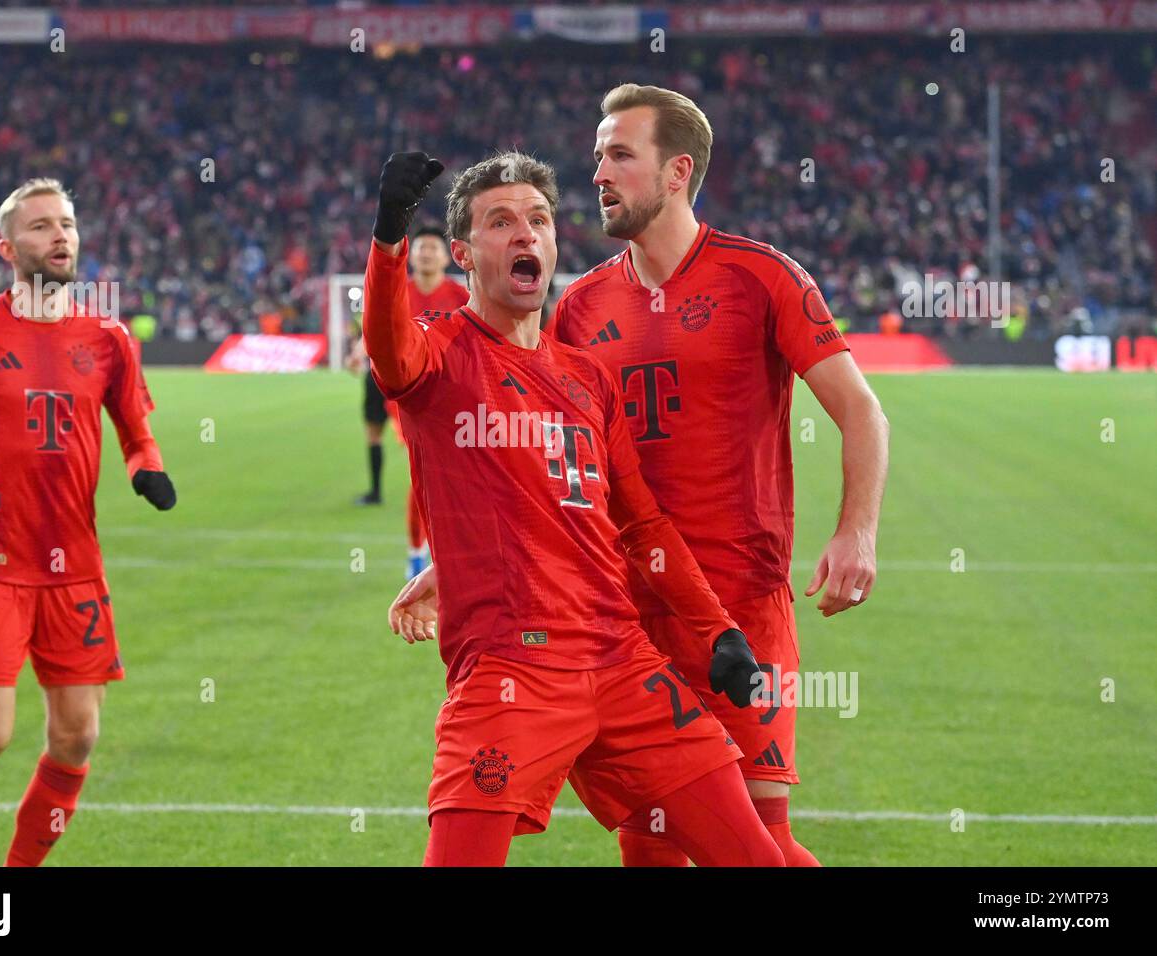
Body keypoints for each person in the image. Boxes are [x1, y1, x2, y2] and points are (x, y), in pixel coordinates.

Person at [393, 85, 890, 867]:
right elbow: (523, 444)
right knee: (651, 846)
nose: (600, 172)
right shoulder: (581, 308)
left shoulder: (761, 277)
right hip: (621, 610)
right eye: (597, 155)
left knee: (764, 837)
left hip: (739, 602)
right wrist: (462, 561)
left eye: (619, 154)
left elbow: (862, 411)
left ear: (676, 171)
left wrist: (856, 531)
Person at [366, 149, 783, 867]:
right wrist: (388, 238)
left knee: (757, 860)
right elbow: (387, 345)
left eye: (538, 220)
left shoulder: (587, 377)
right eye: (502, 223)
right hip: (511, 671)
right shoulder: (439, 359)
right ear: (463, 252)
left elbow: (642, 524)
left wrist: (718, 632)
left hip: (625, 664)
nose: (526, 235)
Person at [0, 178, 177, 866]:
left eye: (67, 224)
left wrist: (147, 468)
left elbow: (138, 432)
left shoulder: (108, 337)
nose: (59, 237)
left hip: (74, 566)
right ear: (7, 245)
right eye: (42, 226)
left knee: (77, 738)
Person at [349, 226, 467, 578]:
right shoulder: (397, 293)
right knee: (426, 474)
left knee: (444, 479)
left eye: (434, 247)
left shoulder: (460, 296)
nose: (427, 253)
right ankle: (420, 553)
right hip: (404, 401)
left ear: (447, 256)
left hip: (448, 400)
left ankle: (431, 551)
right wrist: (359, 351)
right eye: (421, 247)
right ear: (411, 255)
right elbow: (375, 329)